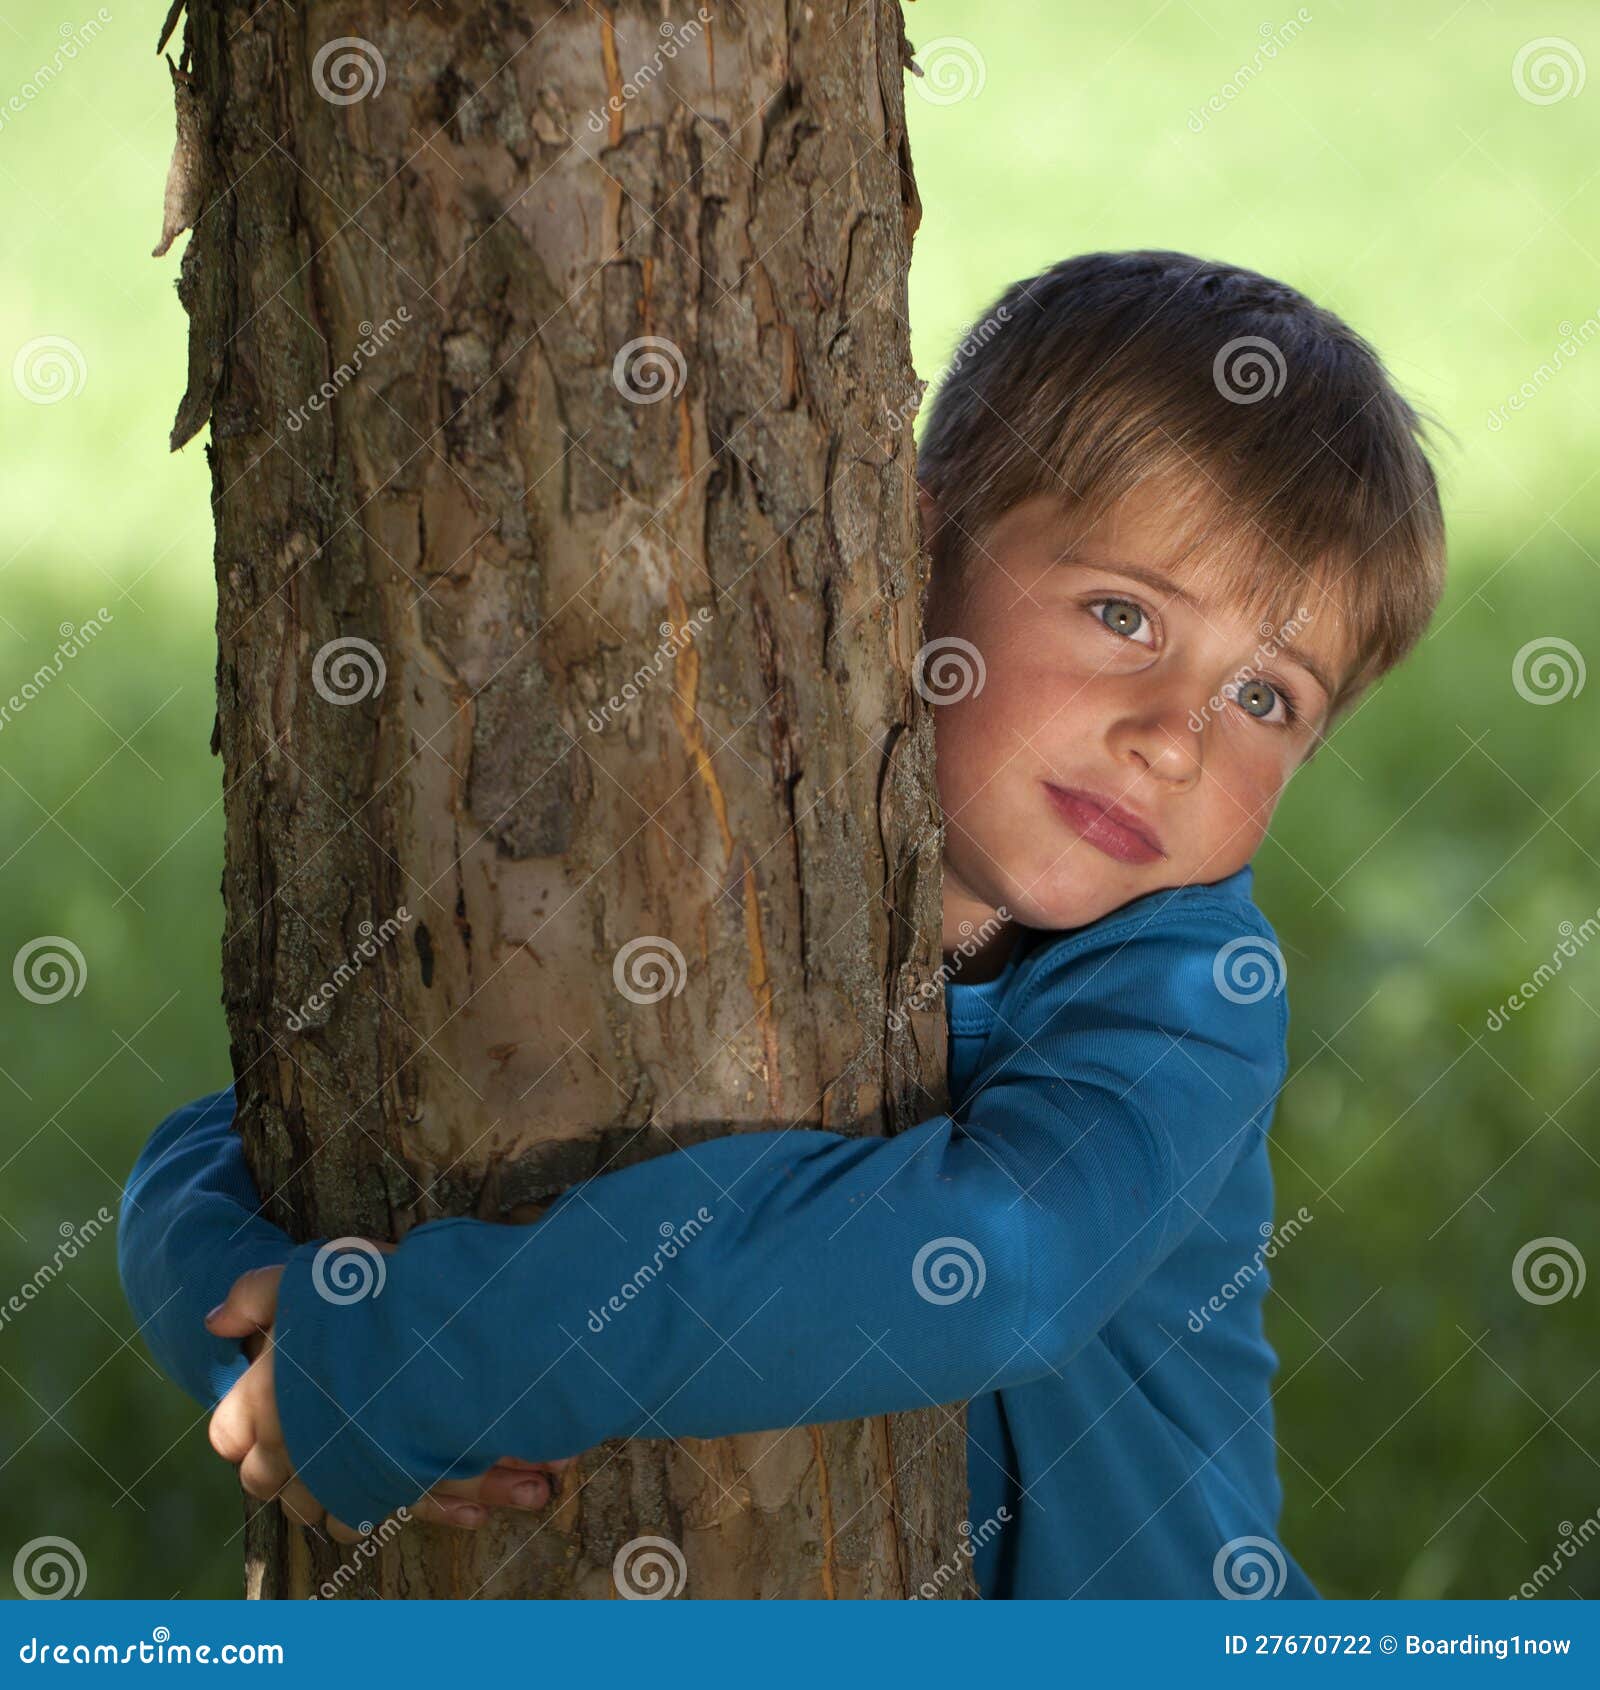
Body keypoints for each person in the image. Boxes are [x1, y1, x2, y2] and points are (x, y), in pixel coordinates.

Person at [118, 250, 1447, 1598]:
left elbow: (1004, 1267)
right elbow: (231, 1143)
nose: (1176, 737)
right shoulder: (719, 847)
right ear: (905, 544)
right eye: (1124, 615)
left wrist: (447, 1357)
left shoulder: (1190, 989)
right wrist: (275, 1343)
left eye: (1267, 699)